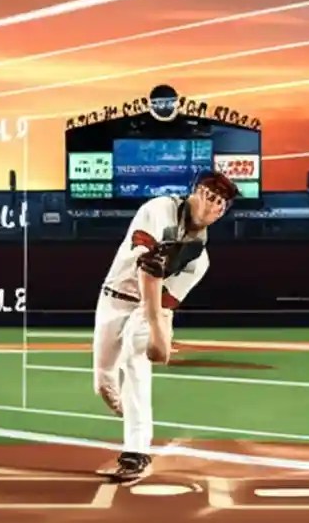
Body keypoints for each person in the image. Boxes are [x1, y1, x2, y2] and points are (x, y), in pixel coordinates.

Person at [91, 170, 240, 484]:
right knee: (103, 383)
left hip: (147, 307)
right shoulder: (159, 210)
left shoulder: (200, 259)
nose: (214, 206)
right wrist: (159, 331)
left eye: (221, 204)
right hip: (114, 298)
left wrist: (160, 329)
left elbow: (167, 300)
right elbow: (149, 265)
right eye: (210, 196)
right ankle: (131, 412)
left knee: (135, 362)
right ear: (195, 193)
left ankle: (136, 451)